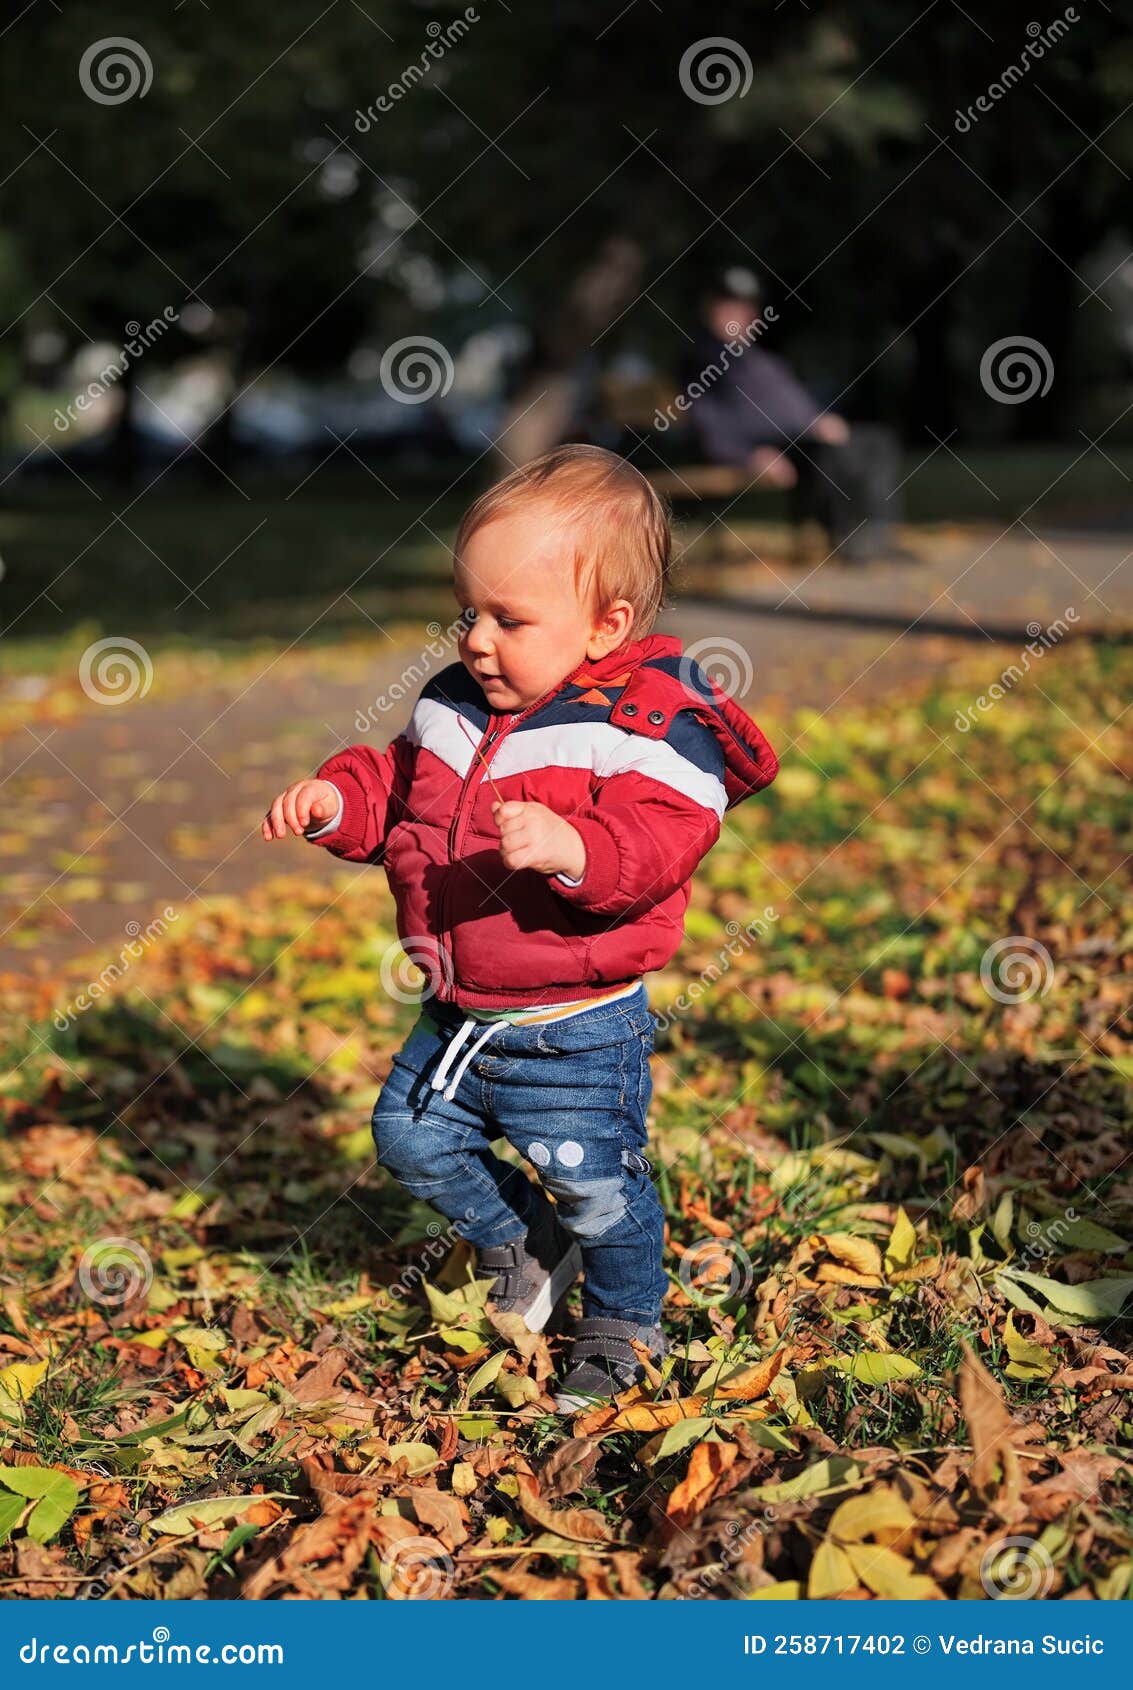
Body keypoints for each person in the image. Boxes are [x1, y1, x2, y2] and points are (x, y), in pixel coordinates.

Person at [261, 445, 778, 1412]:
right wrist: (338, 802)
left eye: (510, 619)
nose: (478, 641)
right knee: (407, 1138)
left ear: (605, 625)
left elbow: (660, 840)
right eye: (469, 613)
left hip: (574, 1028)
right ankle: (526, 1244)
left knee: (598, 1186)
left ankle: (624, 1319)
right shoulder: (451, 708)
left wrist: (574, 847)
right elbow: (396, 793)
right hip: (458, 1011)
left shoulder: (642, 726)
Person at [682, 265, 903, 562]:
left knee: (877, 442)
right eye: (728, 304)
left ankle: (879, 536)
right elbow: (707, 420)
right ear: (709, 307)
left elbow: (793, 403)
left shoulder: (761, 360)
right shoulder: (701, 360)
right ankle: (849, 541)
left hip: (803, 438)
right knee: (829, 454)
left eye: (744, 307)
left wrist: (817, 420)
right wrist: (747, 455)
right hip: (770, 447)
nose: (738, 314)